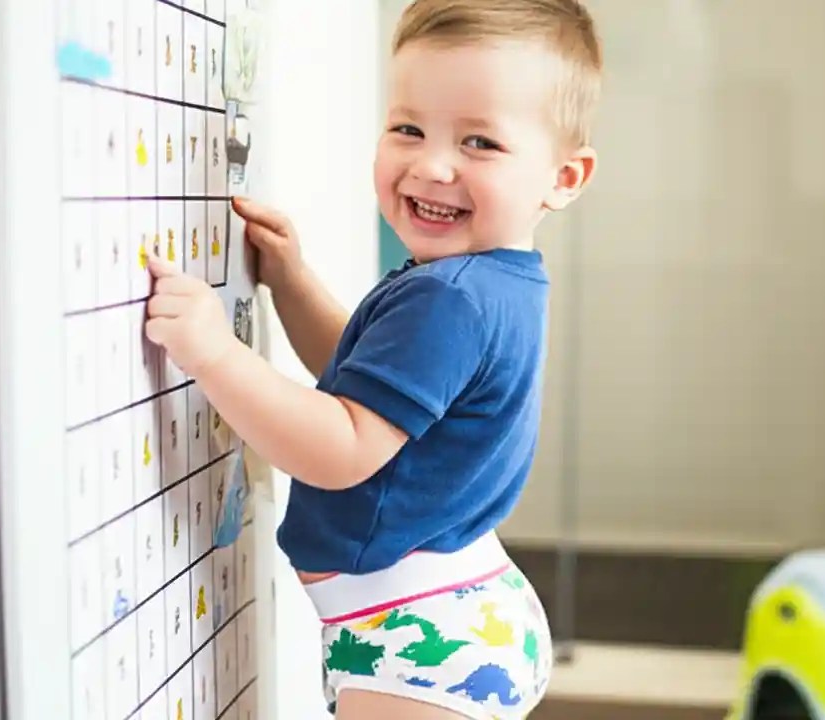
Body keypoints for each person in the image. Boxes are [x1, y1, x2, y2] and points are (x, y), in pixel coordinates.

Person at [144, 0, 601, 716]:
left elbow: (343, 445)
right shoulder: (496, 280)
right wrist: (291, 284)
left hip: (422, 635)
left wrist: (211, 352)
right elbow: (369, 389)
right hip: (450, 609)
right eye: (408, 129)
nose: (433, 164)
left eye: (480, 143)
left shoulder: (450, 297)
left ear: (564, 178)